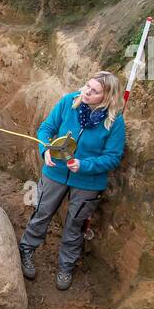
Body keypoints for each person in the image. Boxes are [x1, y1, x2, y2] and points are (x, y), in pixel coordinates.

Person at [19, 72, 125, 290]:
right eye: (87, 86)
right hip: (55, 172)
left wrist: (84, 166)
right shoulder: (69, 102)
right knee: (41, 211)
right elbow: (46, 129)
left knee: (75, 225)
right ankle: (26, 251)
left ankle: (66, 266)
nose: (86, 91)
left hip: (88, 182)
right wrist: (45, 149)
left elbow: (113, 157)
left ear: (107, 97)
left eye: (94, 91)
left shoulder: (114, 122)